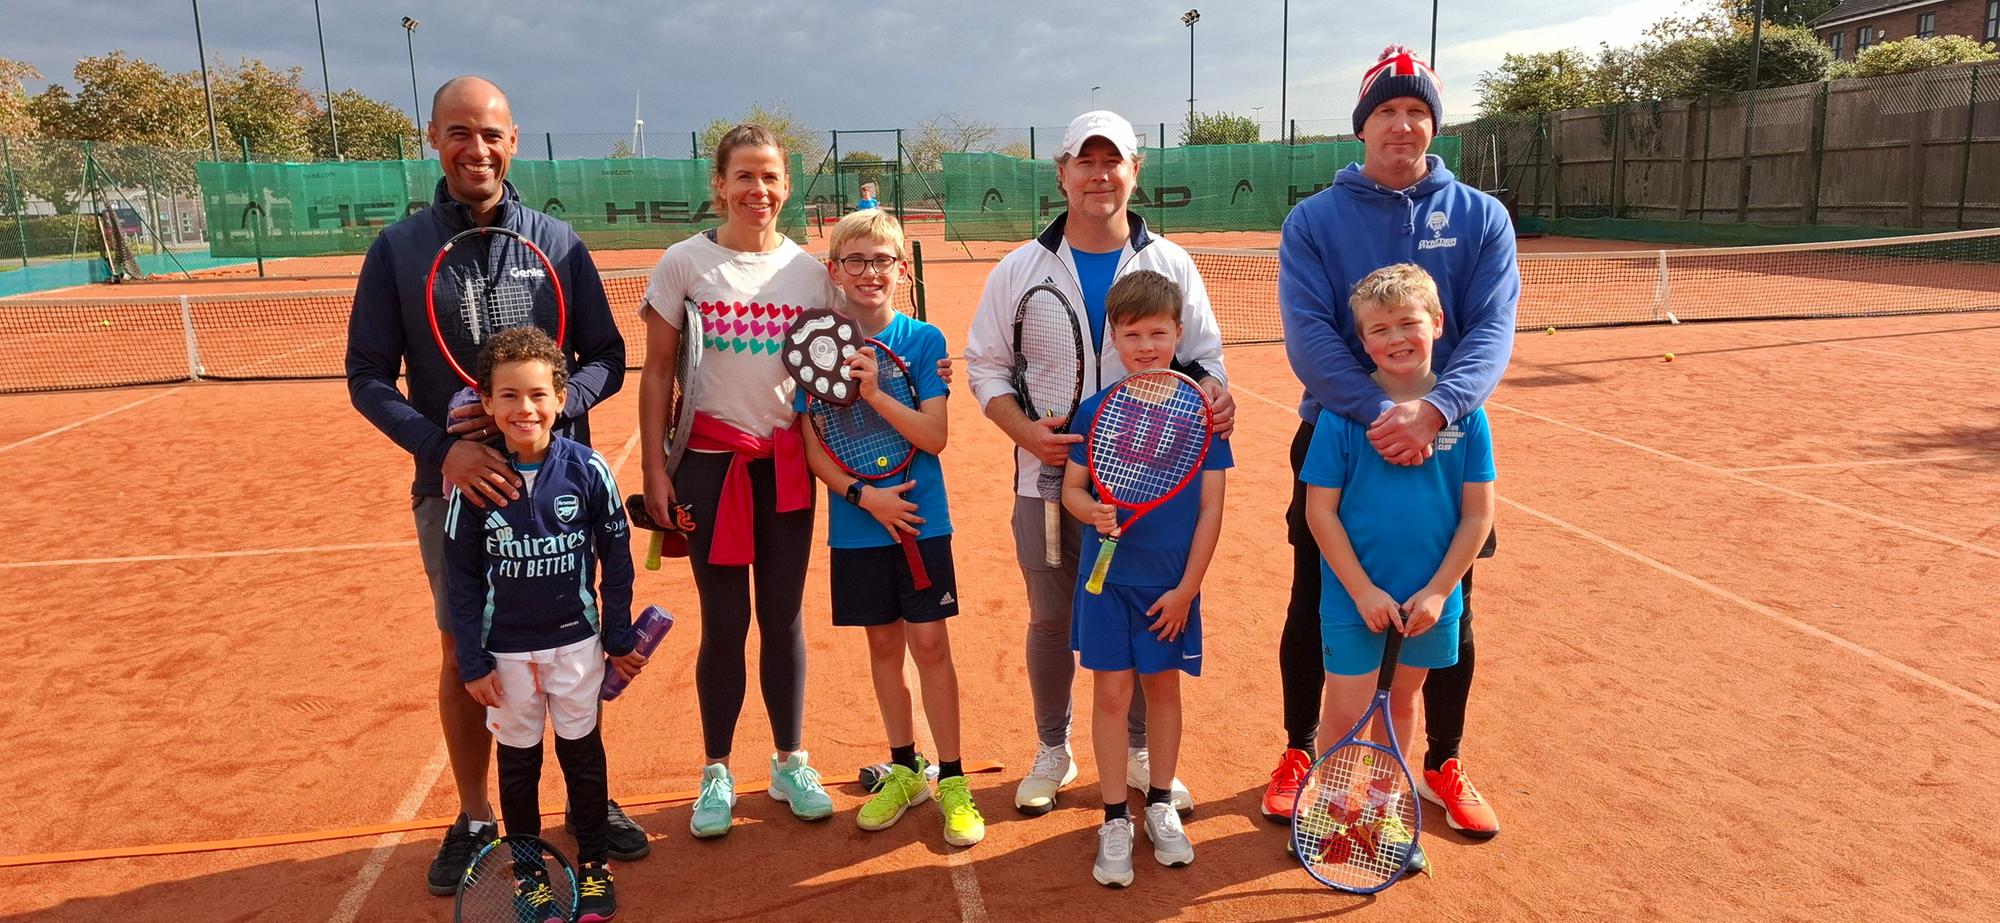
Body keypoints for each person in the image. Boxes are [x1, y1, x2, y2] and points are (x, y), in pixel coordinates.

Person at [343, 75, 647, 897]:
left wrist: (552, 418)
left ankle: (588, 807)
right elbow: (367, 375)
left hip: (558, 488)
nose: (476, 149)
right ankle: (477, 814)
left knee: (576, 639)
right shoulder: (398, 250)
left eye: (492, 134)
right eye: (459, 133)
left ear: (513, 141)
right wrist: (442, 448)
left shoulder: (557, 241)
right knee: (464, 648)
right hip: (456, 490)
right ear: (433, 139)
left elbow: (607, 357)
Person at [1267, 46, 1518, 841]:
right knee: (1318, 598)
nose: (1402, 125)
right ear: (1364, 125)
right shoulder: (1313, 219)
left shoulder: (1483, 216)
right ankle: (1302, 752)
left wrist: (1437, 411)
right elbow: (1308, 334)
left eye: (1416, 112)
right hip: (1340, 428)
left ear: (1432, 124)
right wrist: (1381, 412)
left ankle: (1439, 762)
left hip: (1445, 431)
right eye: (1387, 111)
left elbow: (1491, 329)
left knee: (1450, 607)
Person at [964, 110, 1236, 818]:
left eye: (1111, 160)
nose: (1098, 174)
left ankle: (1141, 749)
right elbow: (985, 368)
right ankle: (1053, 748)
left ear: (1133, 170)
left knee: (1148, 615)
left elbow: (1205, 359)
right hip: (1047, 482)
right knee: (1051, 620)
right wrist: (1027, 433)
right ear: (1061, 173)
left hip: (1150, 495)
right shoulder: (1018, 268)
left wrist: (1216, 395)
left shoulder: (1171, 264)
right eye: (1083, 161)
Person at [636, 124, 834, 839]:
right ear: (718, 183)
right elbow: (657, 370)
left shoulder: (811, 274)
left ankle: (788, 762)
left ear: (787, 186)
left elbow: (837, 363)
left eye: (771, 177)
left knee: (782, 619)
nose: (758, 190)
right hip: (708, 470)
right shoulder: (684, 264)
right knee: (725, 624)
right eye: (744, 176)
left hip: (784, 470)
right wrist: (656, 468)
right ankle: (716, 770)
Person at [1298, 263, 1496, 876]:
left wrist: (1440, 591)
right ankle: (1329, 814)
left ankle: (1385, 810)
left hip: (1430, 605)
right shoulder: (1341, 417)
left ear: (1437, 324)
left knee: (1403, 702)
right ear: (1363, 341)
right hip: (1355, 601)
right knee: (1346, 709)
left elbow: (1477, 518)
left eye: (1409, 321)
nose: (1396, 337)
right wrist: (1362, 590)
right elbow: (1320, 512)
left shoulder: (1467, 416)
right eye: (1379, 328)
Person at [795, 209, 985, 847]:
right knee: (882, 648)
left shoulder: (925, 341)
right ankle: (904, 769)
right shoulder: (812, 345)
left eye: (882, 260)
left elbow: (935, 436)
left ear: (903, 269)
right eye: (856, 260)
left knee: (931, 647)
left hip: (923, 523)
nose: (869, 272)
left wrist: (876, 393)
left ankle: (953, 778)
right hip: (858, 525)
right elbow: (813, 446)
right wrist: (862, 496)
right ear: (835, 271)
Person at [445, 328, 643, 922]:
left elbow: (618, 556)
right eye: (507, 396)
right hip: (506, 656)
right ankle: (531, 872)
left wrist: (619, 636)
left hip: (575, 647)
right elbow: (461, 579)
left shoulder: (587, 469)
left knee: (583, 758)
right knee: (519, 763)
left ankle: (594, 866)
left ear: (561, 398)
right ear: (487, 403)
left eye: (536, 395)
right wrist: (473, 663)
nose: (523, 409)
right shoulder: (474, 485)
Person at [1061, 270, 1229, 888]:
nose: (1146, 346)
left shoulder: (1201, 415)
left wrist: (1187, 589)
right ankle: (1113, 818)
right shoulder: (1096, 409)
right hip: (1106, 584)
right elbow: (1073, 490)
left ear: (1179, 333)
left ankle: (1159, 802)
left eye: (1158, 333)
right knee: (1109, 696)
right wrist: (1089, 510)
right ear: (1115, 339)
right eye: (1132, 335)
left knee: (1161, 693)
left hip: (1170, 591)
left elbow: (1211, 507)